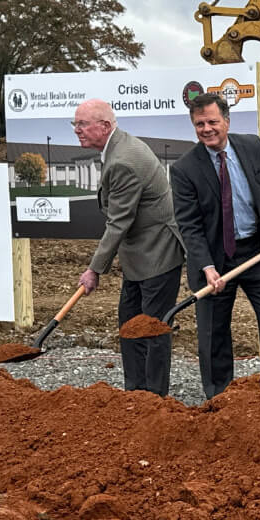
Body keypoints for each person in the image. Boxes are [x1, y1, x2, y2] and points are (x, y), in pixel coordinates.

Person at [169, 93, 260, 400]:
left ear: (226, 120)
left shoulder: (251, 146)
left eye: (212, 121)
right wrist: (207, 267)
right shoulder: (185, 169)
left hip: (257, 251)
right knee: (213, 332)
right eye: (199, 124)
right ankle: (218, 397)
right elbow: (189, 225)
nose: (207, 128)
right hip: (214, 259)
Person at [73, 99, 185, 397]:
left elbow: (118, 222)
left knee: (152, 328)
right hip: (139, 253)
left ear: (105, 126)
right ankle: (135, 393)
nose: (77, 130)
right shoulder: (116, 148)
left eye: (82, 124)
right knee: (130, 324)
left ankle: (153, 398)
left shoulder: (124, 159)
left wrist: (94, 270)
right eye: (75, 124)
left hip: (158, 252)